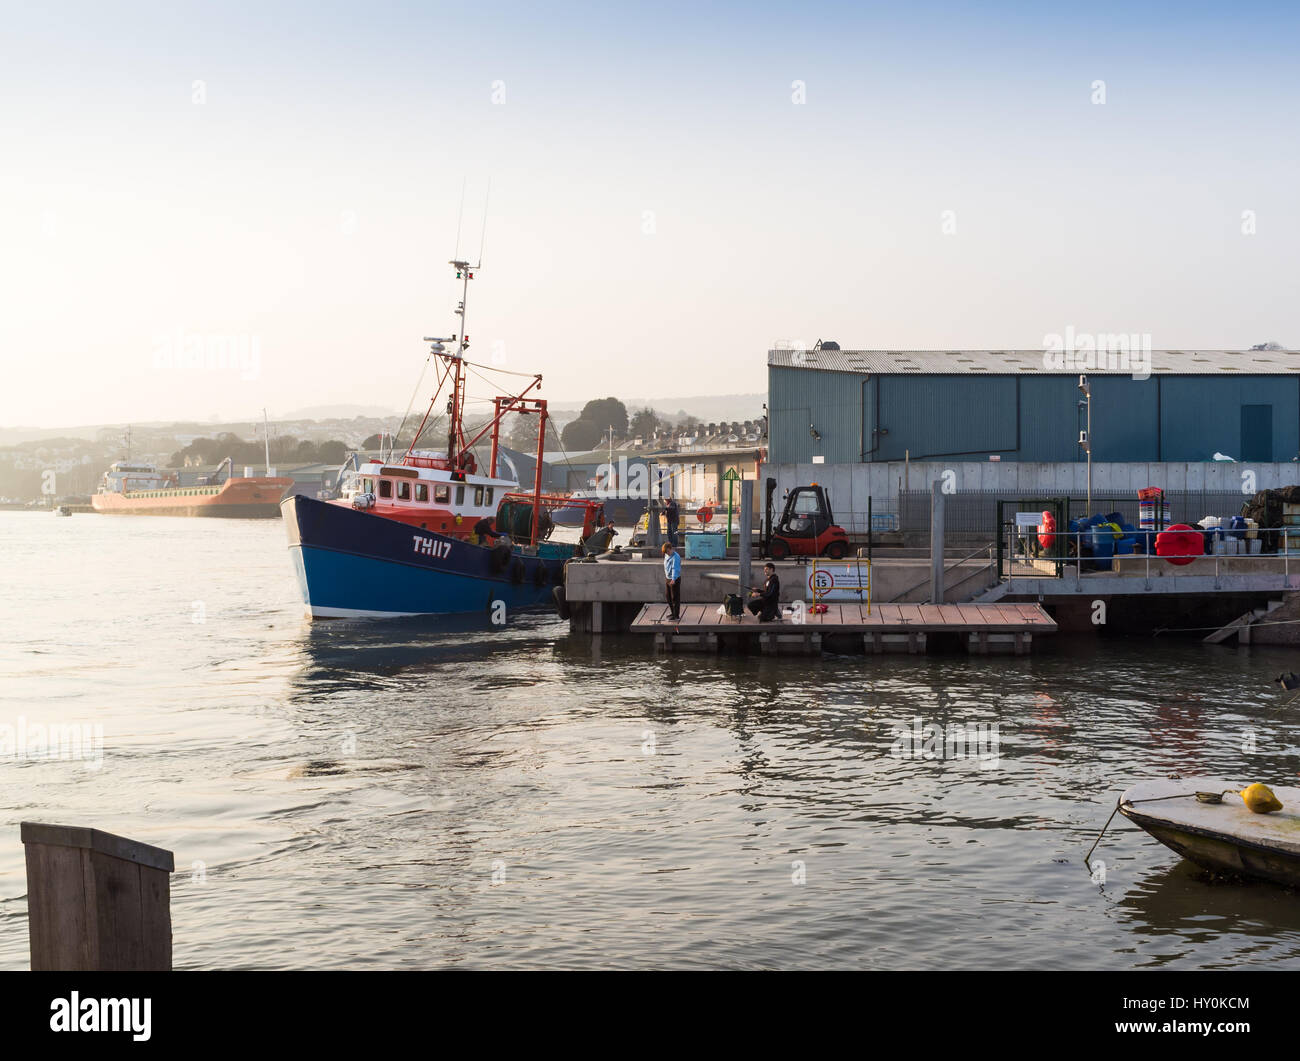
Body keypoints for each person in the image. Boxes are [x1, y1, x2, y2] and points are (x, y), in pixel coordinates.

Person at [662, 541, 682, 621]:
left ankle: (676, 615)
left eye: (667, 551)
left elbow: (675, 568)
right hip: (668, 578)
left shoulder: (675, 557)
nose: (667, 553)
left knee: (675, 597)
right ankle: (672, 612)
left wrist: (673, 579)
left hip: (674, 579)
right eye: (665, 552)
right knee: (668, 596)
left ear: (671, 549)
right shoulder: (667, 555)